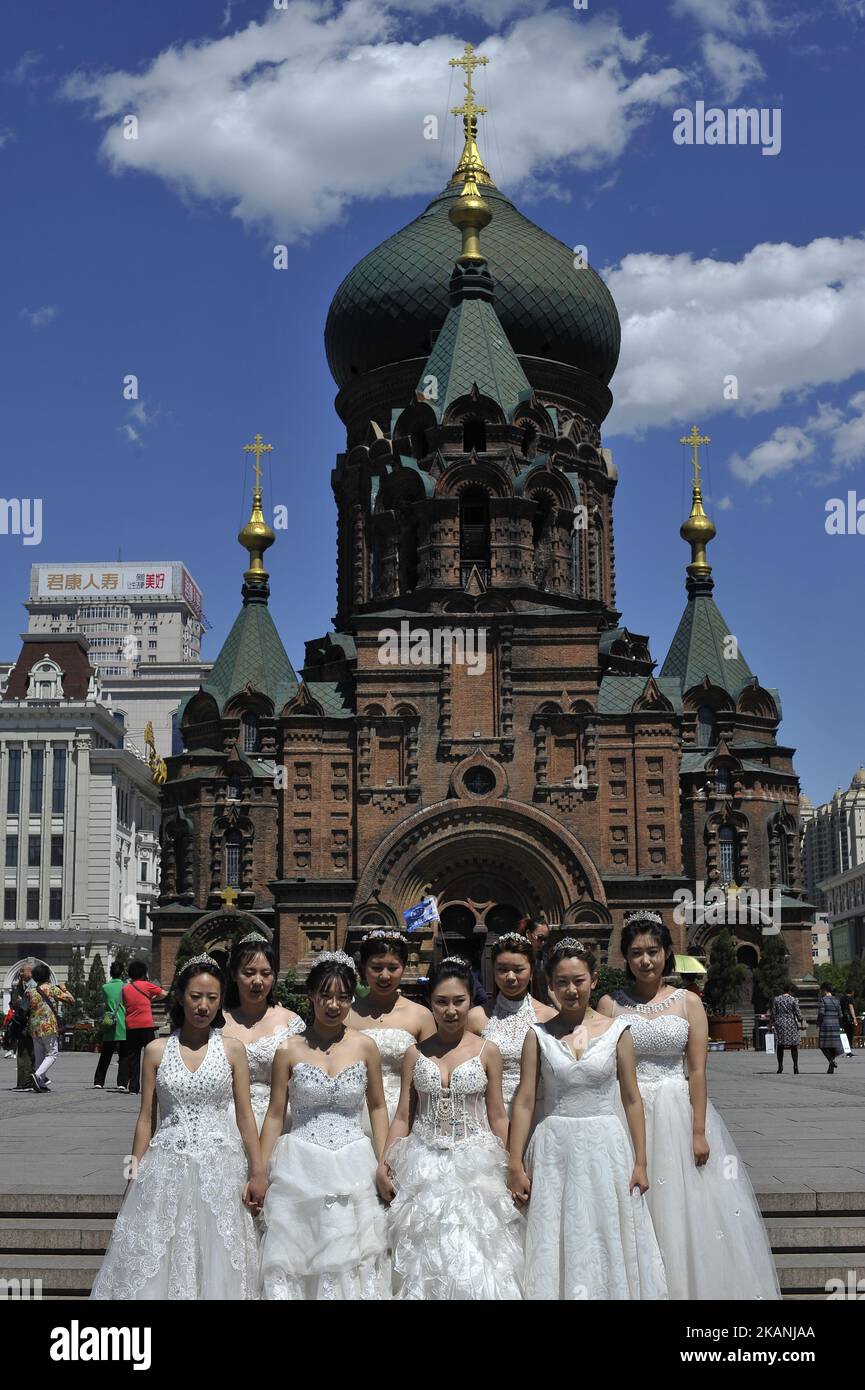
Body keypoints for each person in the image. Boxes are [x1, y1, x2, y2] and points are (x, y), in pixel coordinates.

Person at [596, 910, 780, 1300]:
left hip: (675, 1111)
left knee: (681, 1206)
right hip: (622, 1108)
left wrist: (698, 1130)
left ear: (666, 953)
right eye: (636, 953)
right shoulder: (609, 1004)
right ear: (625, 958)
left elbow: (697, 1071)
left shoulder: (688, 1003)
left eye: (653, 951)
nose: (645, 960)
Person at [90, 955, 263, 1300]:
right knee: (158, 1256)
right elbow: (145, 1119)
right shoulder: (155, 1050)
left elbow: (245, 1114)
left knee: (220, 1258)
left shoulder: (233, 1050)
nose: (203, 1006)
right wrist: (133, 1171)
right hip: (165, 1166)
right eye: (196, 996)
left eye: (212, 998)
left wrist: (258, 1170)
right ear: (180, 997)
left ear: (220, 1001)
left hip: (222, 1167)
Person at [508, 939, 667, 1301]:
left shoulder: (617, 1031)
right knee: (555, 1233)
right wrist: (514, 1162)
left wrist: (641, 1161)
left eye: (578, 980)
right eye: (561, 982)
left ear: (594, 979)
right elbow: (525, 1100)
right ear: (549, 986)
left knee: (604, 1230)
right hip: (553, 1149)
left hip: (605, 1147)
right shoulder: (537, 1035)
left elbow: (631, 1098)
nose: (570, 989)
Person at [377, 956, 524, 1301]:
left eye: (459, 1001)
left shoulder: (489, 1051)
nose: (451, 1010)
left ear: (471, 1001)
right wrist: (385, 1162)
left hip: (475, 1165)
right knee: (423, 1259)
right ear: (430, 1004)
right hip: (422, 1164)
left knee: (475, 1258)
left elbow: (498, 1114)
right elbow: (403, 1115)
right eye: (441, 1002)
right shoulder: (415, 1053)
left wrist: (514, 1164)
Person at [258, 951, 391, 1300]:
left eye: (343, 997)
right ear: (312, 997)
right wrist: (259, 1169)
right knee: (298, 1256)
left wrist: (385, 1160)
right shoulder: (288, 1050)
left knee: (354, 1255)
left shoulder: (365, 1046)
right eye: (326, 996)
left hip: (354, 1160)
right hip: (300, 1161)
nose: (334, 1005)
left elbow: (378, 1107)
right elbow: (275, 1114)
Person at [347, 929, 435, 1125]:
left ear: (403, 967)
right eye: (376, 967)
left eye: (393, 968)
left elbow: (432, 1071)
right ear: (363, 968)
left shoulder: (421, 1015)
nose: (384, 976)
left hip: (406, 1111)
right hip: (355, 1112)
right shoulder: (346, 1014)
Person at [220, 931, 305, 1132]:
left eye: (265, 974)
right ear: (234, 974)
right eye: (249, 973)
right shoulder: (217, 1023)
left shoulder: (291, 1022)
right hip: (228, 1121)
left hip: (281, 1118)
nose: (257, 981)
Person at [468, 932, 556, 1114]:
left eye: (518, 969)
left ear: (531, 971)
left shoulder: (549, 1016)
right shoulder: (477, 1017)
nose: (510, 977)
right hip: (489, 1112)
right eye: (502, 969)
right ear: (493, 970)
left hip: (536, 1110)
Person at [28, 963, 75, 1093]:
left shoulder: (31, 992)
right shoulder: (52, 989)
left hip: (34, 1027)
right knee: (52, 1054)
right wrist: (64, 989)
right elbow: (71, 1000)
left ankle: (41, 1083)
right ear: (48, 976)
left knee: (39, 1056)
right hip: (48, 1026)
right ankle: (37, 1075)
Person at [122, 961, 166, 1095]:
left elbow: (126, 1003)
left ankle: (133, 1087)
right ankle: (154, 1085)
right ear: (143, 973)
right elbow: (164, 993)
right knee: (152, 1055)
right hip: (146, 1025)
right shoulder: (147, 985)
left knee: (133, 1057)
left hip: (131, 1026)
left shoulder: (125, 988)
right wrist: (150, 1000)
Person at [93, 961, 129, 1090]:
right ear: (122, 973)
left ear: (111, 972)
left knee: (106, 1055)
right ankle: (122, 1083)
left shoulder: (105, 987)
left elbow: (104, 1003)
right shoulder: (126, 987)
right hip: (123, 1024)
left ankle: (99, 1081)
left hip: (110, 1024)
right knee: (124, 1055)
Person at [769, 983, 803, 1075]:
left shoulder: (777, 999)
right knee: (793, 1045)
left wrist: (771, 1022)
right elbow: (798, 1013)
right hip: (791, 1023)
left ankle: (780, 1066)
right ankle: (795, 1066)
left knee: (780, 1045)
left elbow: (773, 1012)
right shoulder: (793, 1000)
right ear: (790, 991)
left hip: (780, 1024)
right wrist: (801, 1020)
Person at [13, 961, 36, 1090]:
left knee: (28, 1052)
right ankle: (21, 1082)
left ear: (30, 972)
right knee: (22, 1052)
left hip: (28, 1023)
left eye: (23, 971)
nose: (21, 973)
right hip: (22, 1023)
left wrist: (21, 1001)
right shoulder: (23, 985)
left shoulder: (32, 985)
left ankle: (27, 1081)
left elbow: (26, 1005)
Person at [519, 917, 551, 1005]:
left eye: (545, 939)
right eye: (540, 937)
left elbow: (549, 988)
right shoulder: (518, 958)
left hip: (541, 1006)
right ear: (528, 934)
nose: (543, 943)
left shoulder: (544, 958)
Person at [818, 983, 844, 1073]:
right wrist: (840, 1026)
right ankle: (830, 1069)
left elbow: (821, 1013)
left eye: (821, 990)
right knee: (833, 1046)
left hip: (826, 1024)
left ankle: (831, 1061)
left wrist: (818, 1022)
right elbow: (840, 1014)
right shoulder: (837, 1000)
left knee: (822, 1045)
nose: (820, 992)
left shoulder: (823, 1000)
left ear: (824, 990)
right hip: (836, 1024)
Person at [840, 989, 857, 1060]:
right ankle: (848, 1052)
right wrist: (854, 1018)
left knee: (844, 1035)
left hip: (843, 1018)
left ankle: (844, 1050)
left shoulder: (842, 998)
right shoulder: (850, 999)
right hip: (849, 1019)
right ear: (852, 992)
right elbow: (851, 1008)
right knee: (850, 1035)